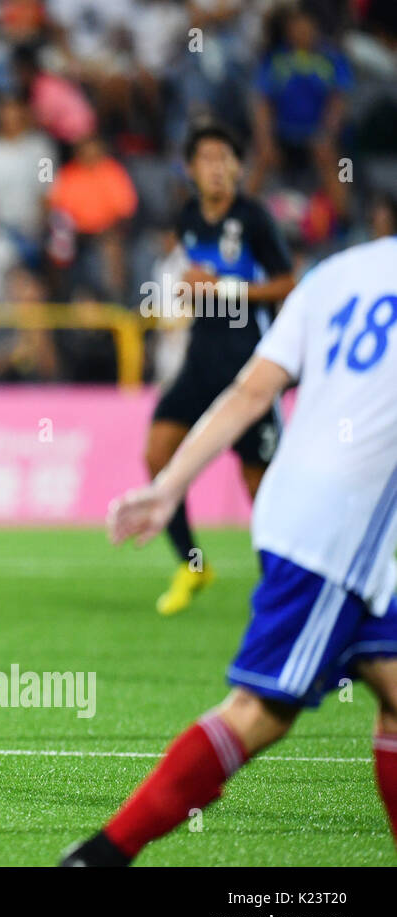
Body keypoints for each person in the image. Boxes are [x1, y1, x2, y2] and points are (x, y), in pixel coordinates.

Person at [63, 235, 397, 866]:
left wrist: (167, 490)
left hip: (296, 509)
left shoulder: (333, 275)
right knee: (259, 712)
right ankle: (98, 858)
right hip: (339, 534)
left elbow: (250, 392)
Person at [147, 120, 294, 615]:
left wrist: (225, 289)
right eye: (206, 158)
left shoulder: (254, 219)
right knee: (157, 453)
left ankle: (285, 584)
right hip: (200, 360)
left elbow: (288, 284)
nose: (217, 167)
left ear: (237, 167)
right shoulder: (188, 217)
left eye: (225, 158)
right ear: (190, 169)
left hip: (248, 363)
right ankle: (192, 563)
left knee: (259, 487)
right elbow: (195, 278)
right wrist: (191, 288)